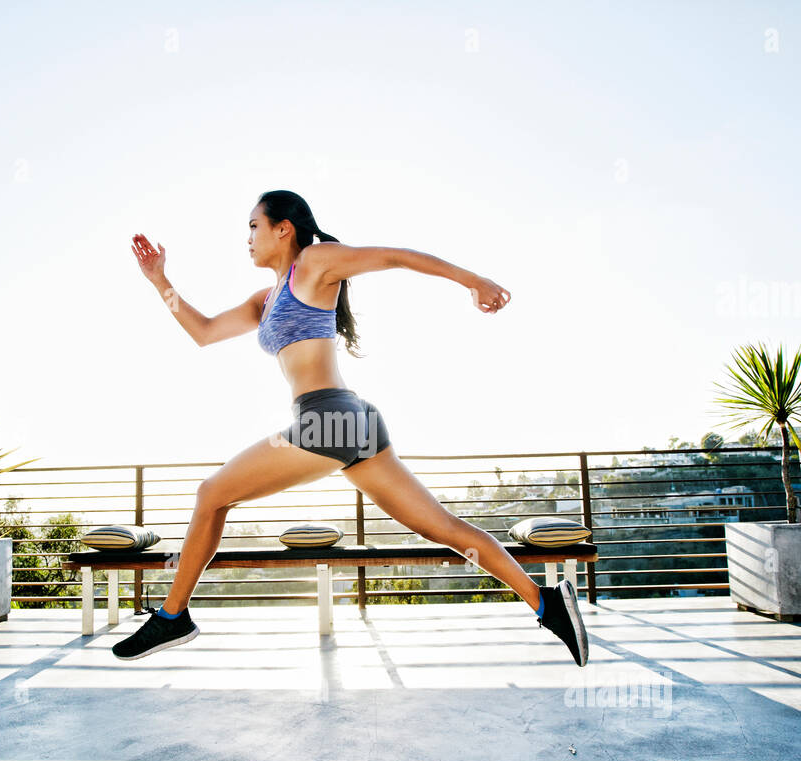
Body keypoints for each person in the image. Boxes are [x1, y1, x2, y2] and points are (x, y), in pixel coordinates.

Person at [114, 189, 588, 666]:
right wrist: (160, 280)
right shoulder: (266, 297)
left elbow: (394, 256)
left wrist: (473, 281)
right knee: (442, 527)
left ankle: (173, 616)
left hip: (328, 420)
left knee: (211, 493)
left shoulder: (316, 263)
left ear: (284, 229)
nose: (248, 238)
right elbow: (204, 332)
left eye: (254, 226)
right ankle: (548, 604)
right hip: (352, 423)